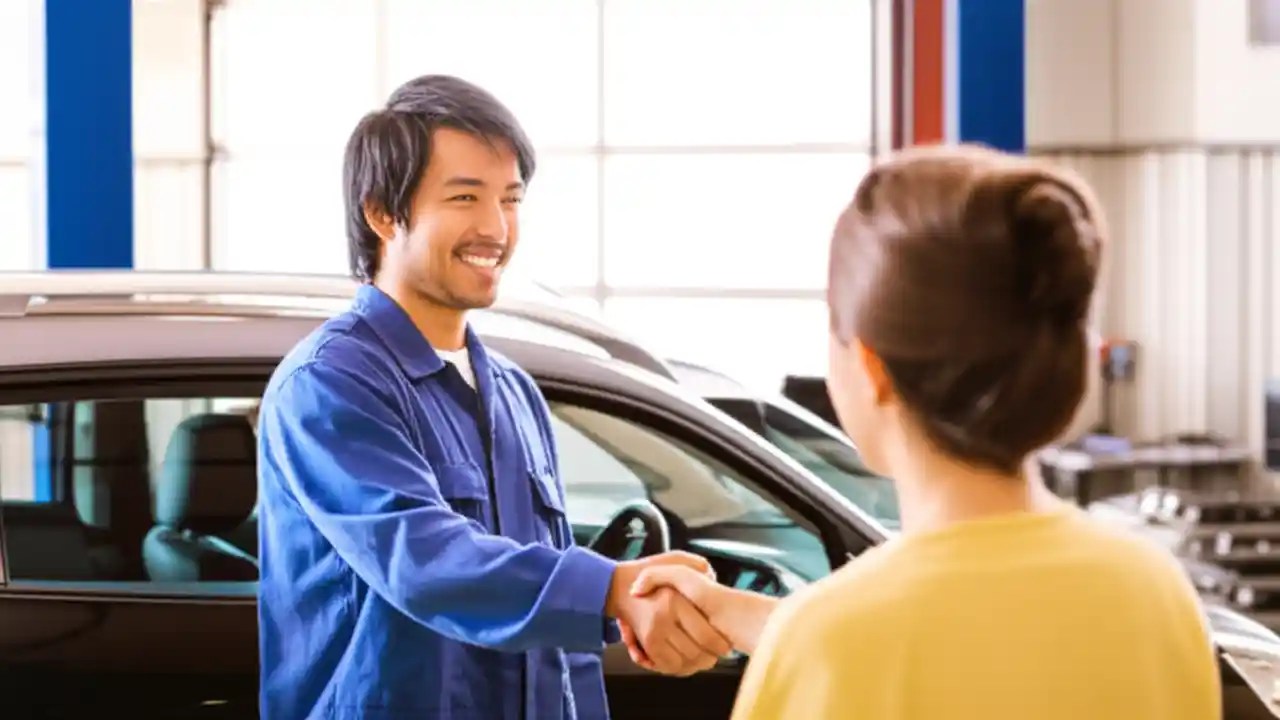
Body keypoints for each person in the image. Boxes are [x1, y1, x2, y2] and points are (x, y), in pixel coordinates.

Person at [629, 144, 1223, 719]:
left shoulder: (832, 642)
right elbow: (976, 640)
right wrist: (745, 617)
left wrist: (799, 638)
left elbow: (883, 641)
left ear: (871, 369)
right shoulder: (1155, 592)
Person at [255, 74, 731, 720]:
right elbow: (426, 560)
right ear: (382, 213)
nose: (495, 228)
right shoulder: (329, 383)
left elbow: (552, 628)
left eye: (510, 199)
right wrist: (613, 590)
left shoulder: (514, 392)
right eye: (464, 197)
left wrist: (621, 614)